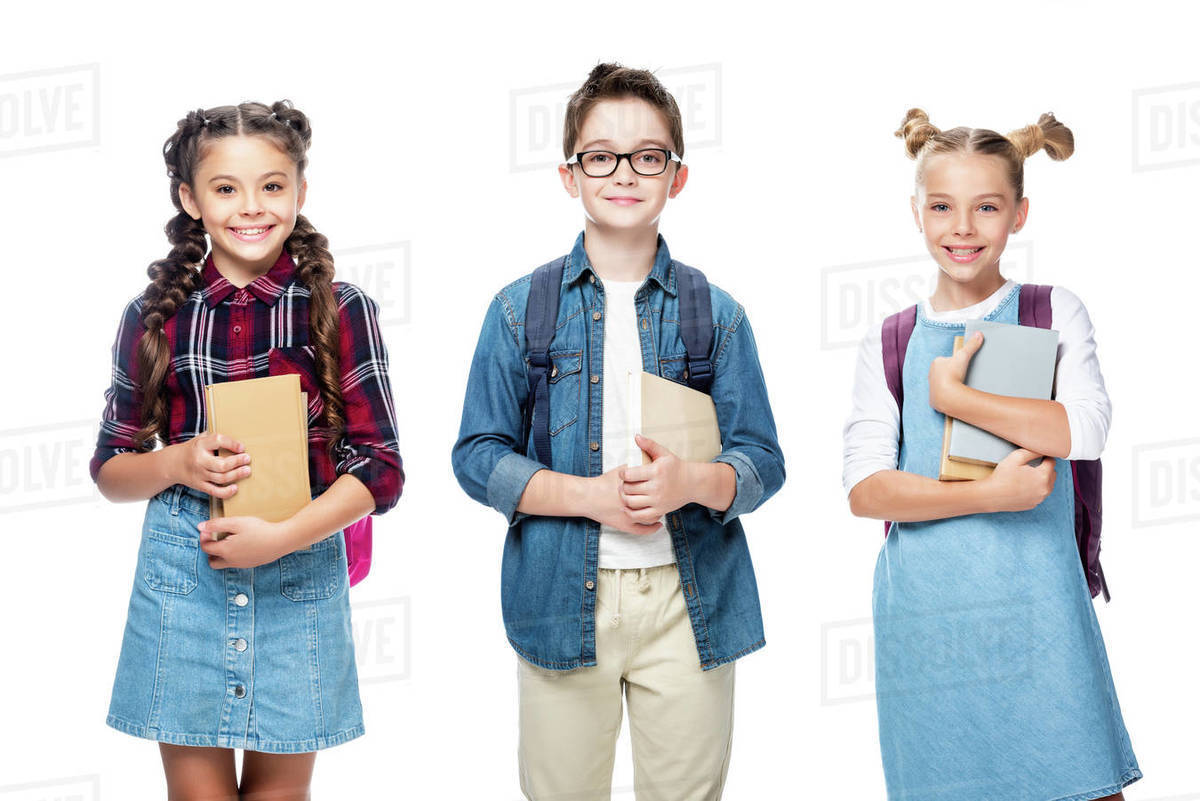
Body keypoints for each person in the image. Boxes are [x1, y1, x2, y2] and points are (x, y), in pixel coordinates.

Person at [451, 63, 785, 801]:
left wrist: (691, 482)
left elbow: (763, 460)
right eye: (600, 156)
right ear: (570, 175)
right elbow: (477, 455)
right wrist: (587, 496)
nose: (624, 173)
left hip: (689, 603)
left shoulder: (716, 313)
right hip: (562, 602)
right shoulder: (520, 310)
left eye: (648, 156)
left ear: (678, 175)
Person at [90, 100, 403, 801]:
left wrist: (282, 537)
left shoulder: (339, 306)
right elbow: (111, 468)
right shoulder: (153, 317)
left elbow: (380, 469)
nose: (251, 206)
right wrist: (177, 461)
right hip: (184, 575)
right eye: (226, 188)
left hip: (299, 572)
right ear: (190, 199)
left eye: (272, 185)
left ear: (299, 192)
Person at [843, 108, 1141, 801]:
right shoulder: (889, 340)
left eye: (987, 207)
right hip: (929, 623)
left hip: (1042, 611)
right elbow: (866, 489)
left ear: (1020, 213)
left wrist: (959, 397)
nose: (963, 228)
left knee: (1084, 782)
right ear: (916, 212)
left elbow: (1086, 429)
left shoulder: (1050, 310)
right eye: (943, 207)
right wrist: (988, 494)